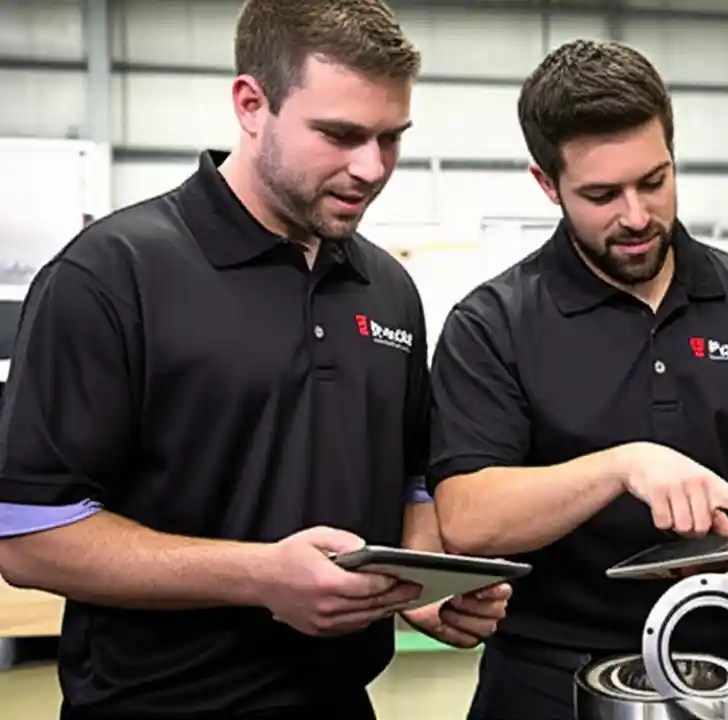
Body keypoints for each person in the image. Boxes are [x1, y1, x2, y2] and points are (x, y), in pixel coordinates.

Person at [0, 2, 509, 718]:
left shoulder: (387, 290)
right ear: (250, 104)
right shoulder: (112, 276)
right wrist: (260, 576)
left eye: (391, 138)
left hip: (340, 702)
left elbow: (409, 476)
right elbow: (28, 535)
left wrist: (424, 585)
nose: (371, 168)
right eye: (339, 135)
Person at [425, 38, 728, 720]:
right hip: (547, 682)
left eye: (654, 180)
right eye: (601, 195)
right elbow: (468, 518)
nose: (638, 217)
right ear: (545, 183)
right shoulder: (493, 322)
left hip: (725, 669)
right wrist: (622, 468)